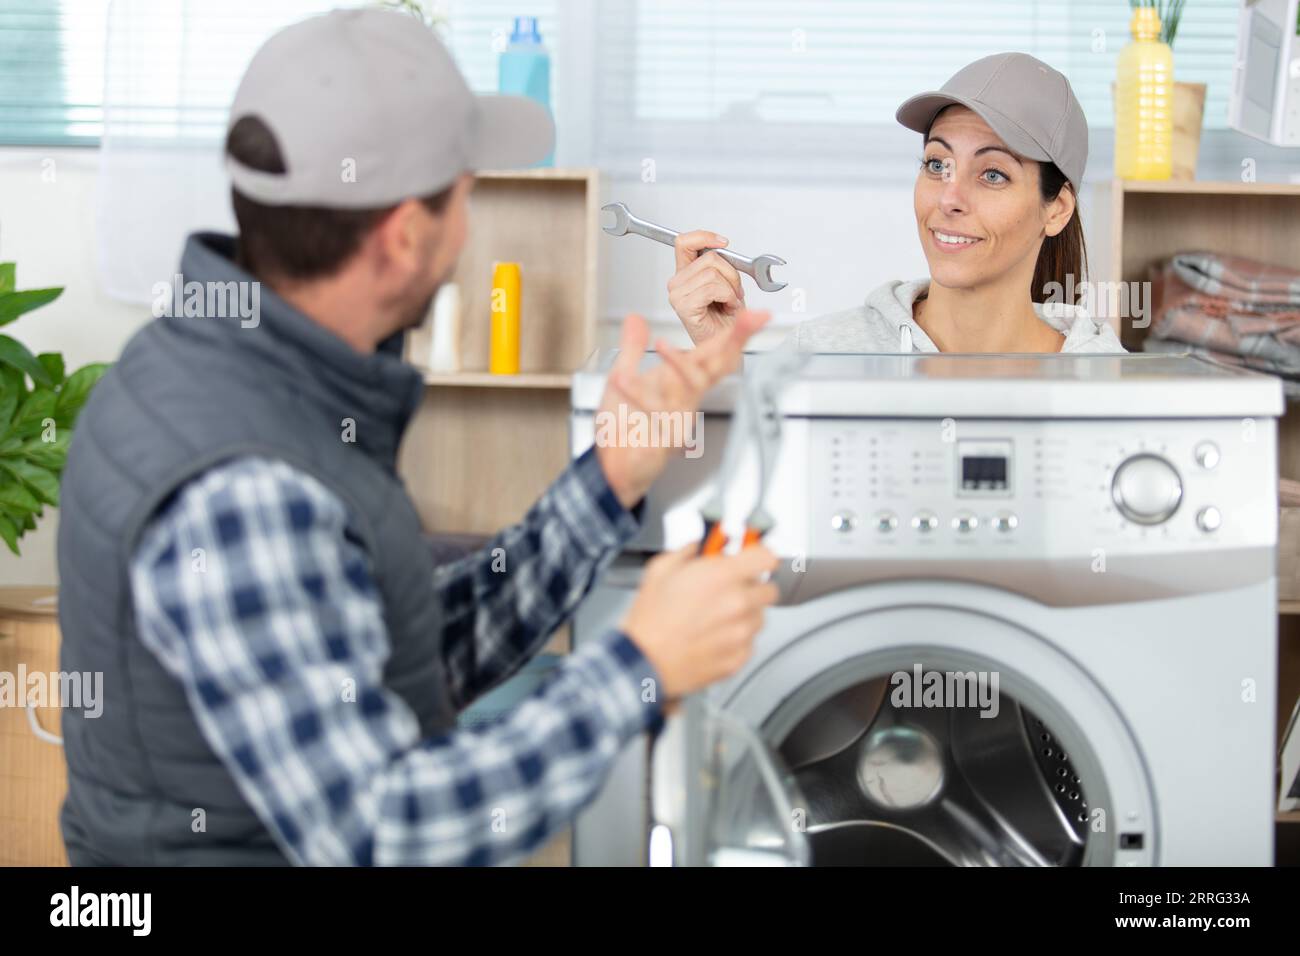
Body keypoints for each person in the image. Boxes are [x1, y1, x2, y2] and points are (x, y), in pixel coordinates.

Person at [56, 8, 777, 867]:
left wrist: (606, 483)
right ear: (403, 236)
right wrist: (641, 663)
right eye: (465, 198)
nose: (468, 231)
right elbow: (386, 830)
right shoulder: (246, 486)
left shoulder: (223, 365)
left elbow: (394, 654)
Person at [666, 53, 1125, 355]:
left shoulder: (1112, 383)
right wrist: (724, 365)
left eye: (992, 174)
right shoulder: (819, 355)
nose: (949, 198)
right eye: (937, 164)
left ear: (1057, 210)